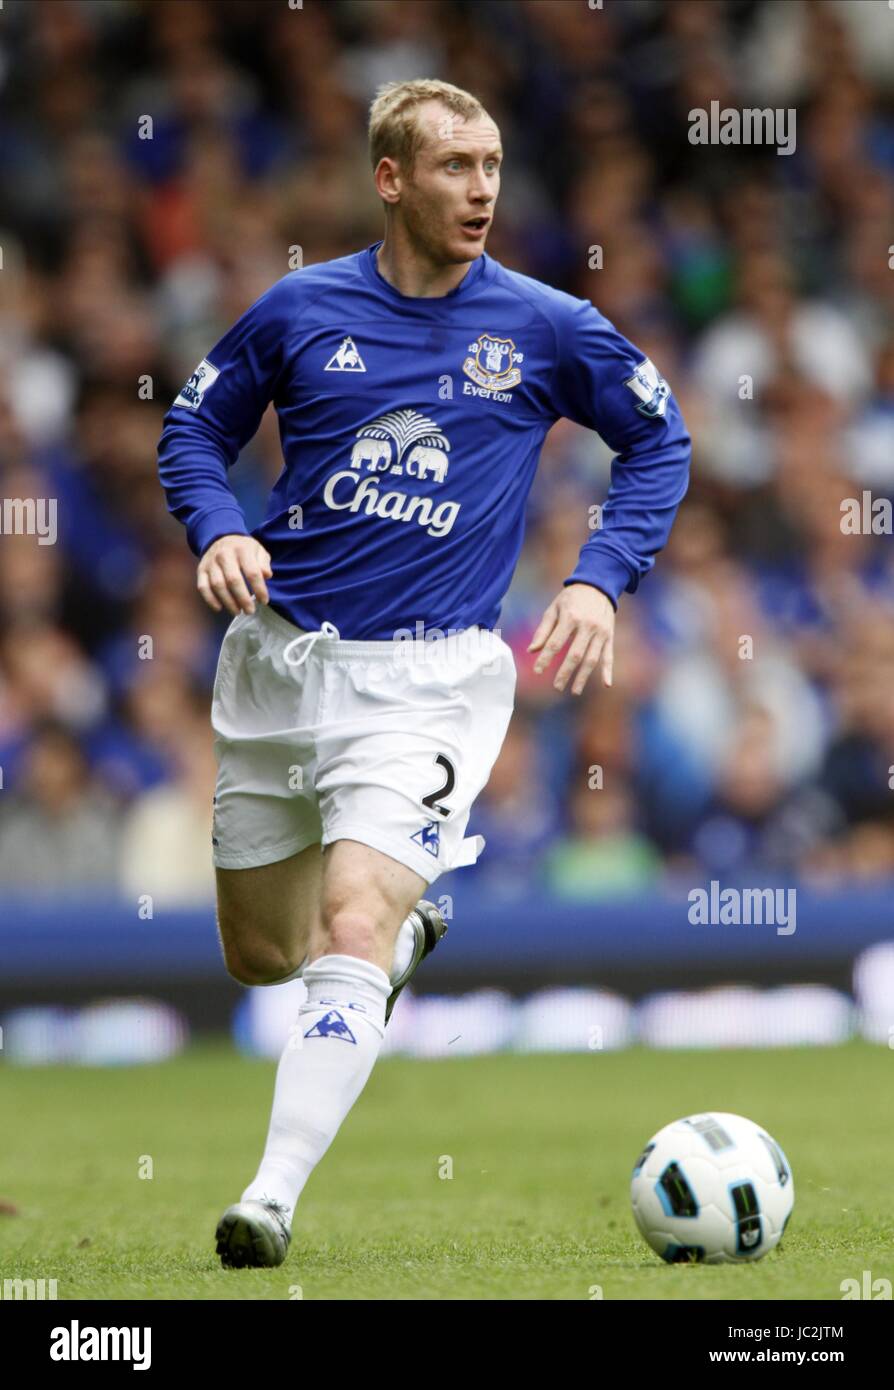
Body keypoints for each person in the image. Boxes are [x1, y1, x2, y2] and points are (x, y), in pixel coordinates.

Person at [156, 78, 690, 1268]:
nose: (483, 187)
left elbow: (661, 436)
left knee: (350, 910)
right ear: (390, 179)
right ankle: (397, 943)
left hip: (429, 683)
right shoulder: (300, 310)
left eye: (492, 163)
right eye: (454, 166)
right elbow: (191, 429)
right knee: (261, 953)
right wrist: (218, 527)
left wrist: (600, 575)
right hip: (278, 667)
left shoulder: (545, 325)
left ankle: (271, 1195)